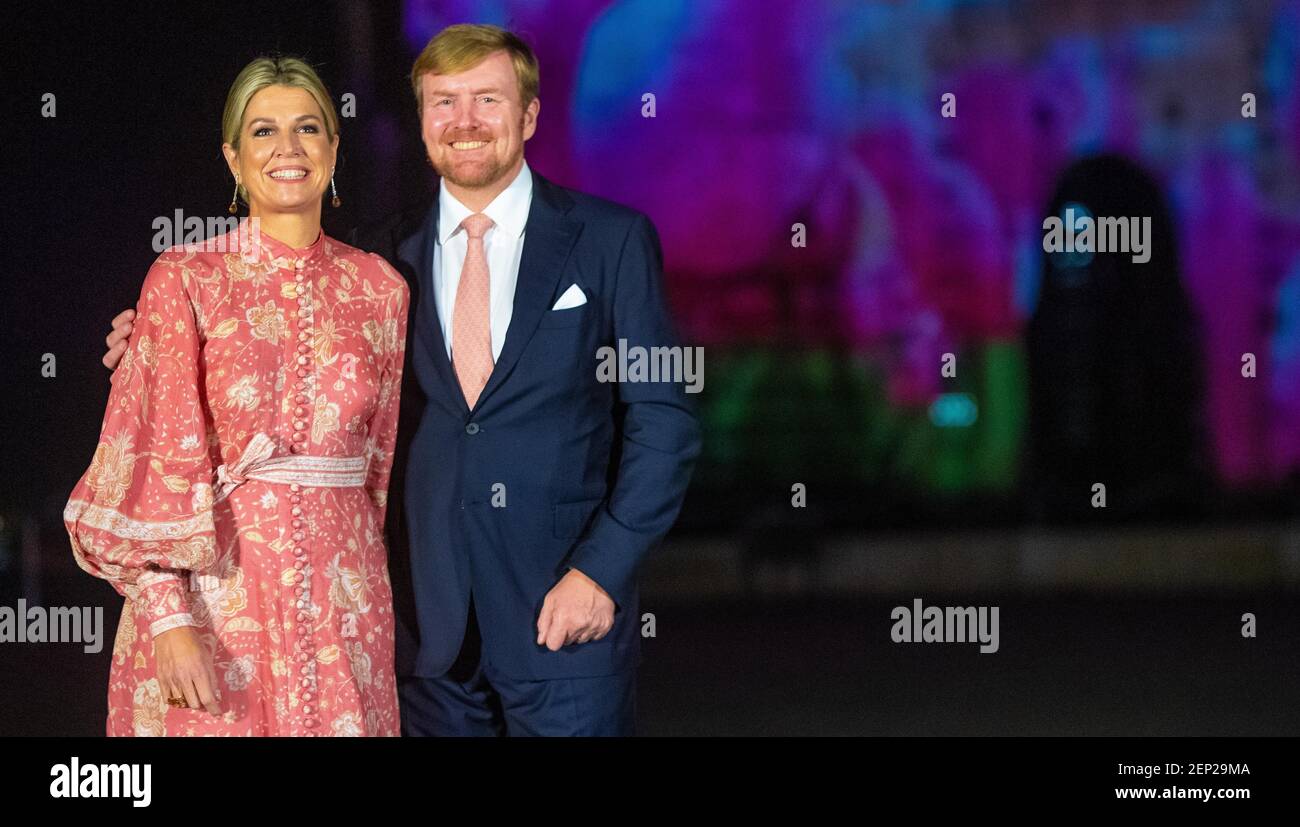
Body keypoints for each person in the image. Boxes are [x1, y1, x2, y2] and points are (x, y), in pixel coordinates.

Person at [105, 24, 700, 736]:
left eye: (488, 99)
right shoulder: (383, 259)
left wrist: (600, 572)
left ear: (531, 114)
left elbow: (663, 422)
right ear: (421, 120)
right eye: (444, 102)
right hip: (418, 640)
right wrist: (146, 345)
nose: (466, 121)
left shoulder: (610, 241)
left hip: (564, 620)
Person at [71, 56, 409, 736]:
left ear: (334, 150)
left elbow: (376, 474)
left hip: (346, 613)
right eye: (263, 131)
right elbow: (151, 465)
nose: (288, 147)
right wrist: (168, 619)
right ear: (233, 157)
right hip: (216, 611)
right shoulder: (184, 280)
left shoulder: (382, 289)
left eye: (308, 127)